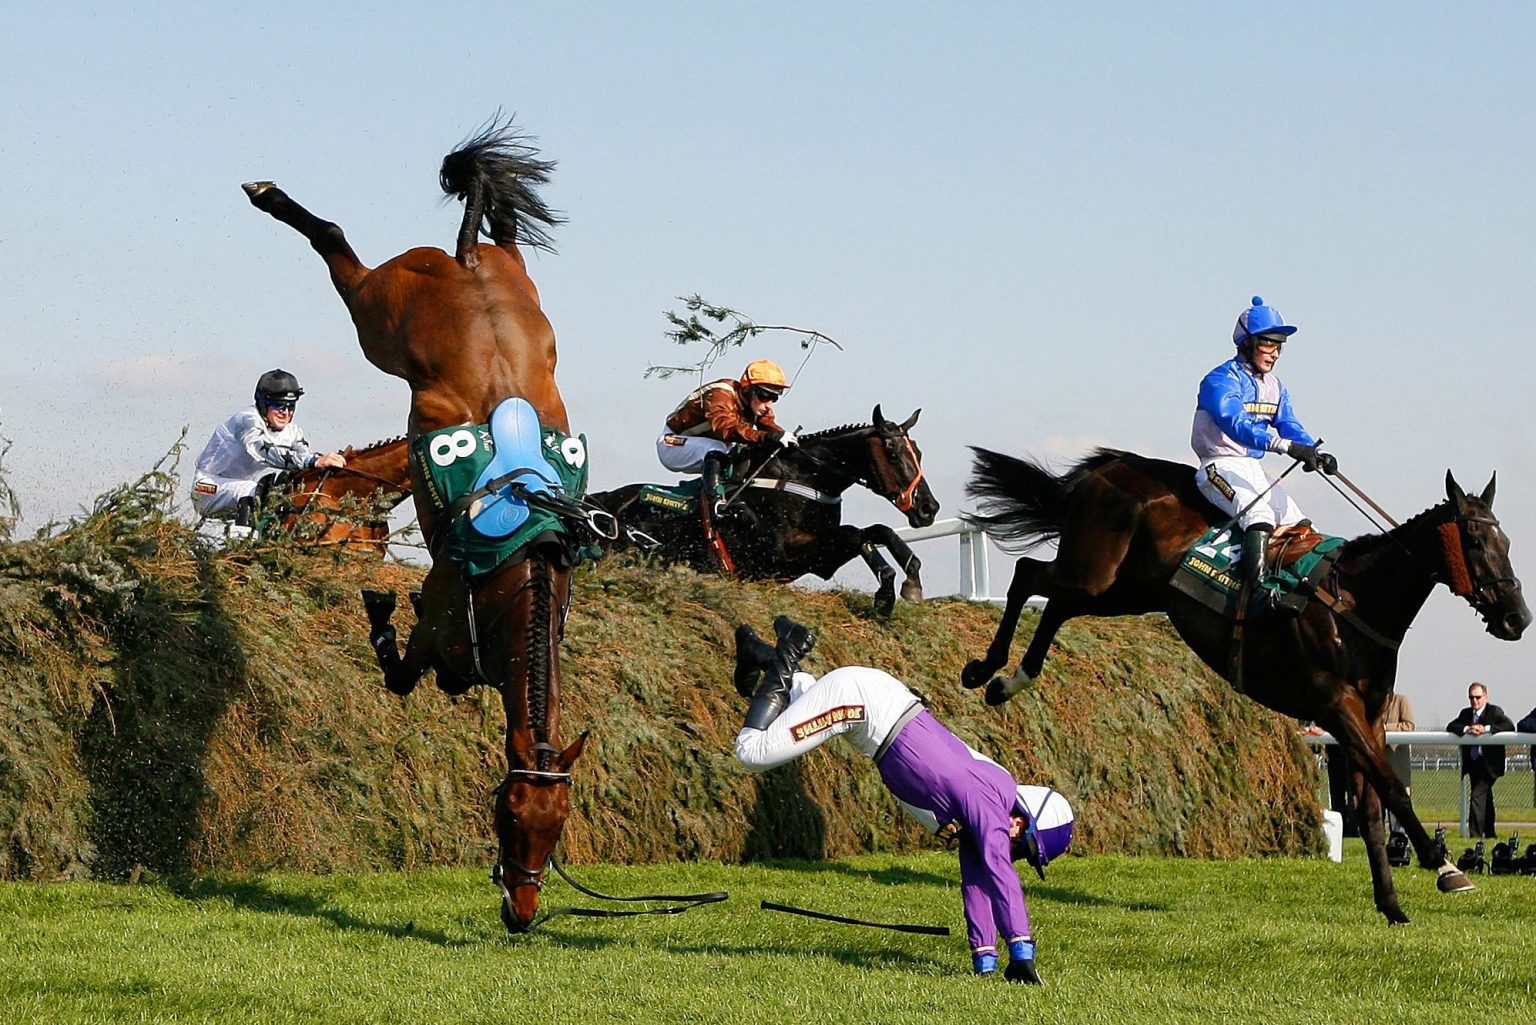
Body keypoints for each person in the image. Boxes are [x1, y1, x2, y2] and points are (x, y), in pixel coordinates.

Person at [730, 616, 1074, 985]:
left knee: (802, 693)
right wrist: (1022, 952)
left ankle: (757, 653)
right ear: (1021, 819)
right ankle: (790, 645)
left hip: (871, 708)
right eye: (1022, 848)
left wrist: (985, 963)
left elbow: (978, 884)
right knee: (752, 752)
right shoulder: (992, 798)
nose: (1014, 854)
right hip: (863, 705)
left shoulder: (985, 809)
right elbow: (998, 873)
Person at [1191, 296, 1338, 616]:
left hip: (1253, 468)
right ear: (1247, 343)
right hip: (1219, 465)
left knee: (1298, 524)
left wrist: (1314, 451)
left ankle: (1289, 587)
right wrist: (1285, 447)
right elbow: (1235, 423)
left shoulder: (1275, 386)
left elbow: (1288, 424)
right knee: (1259, 516)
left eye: (1279, 346)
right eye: (1268, 344)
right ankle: (1255, 592)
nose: (1275, 352)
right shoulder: (1220, 380)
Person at [191, 369, 346, 537]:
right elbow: (263, 451)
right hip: (206, 488)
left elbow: (305, 459)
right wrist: (313, 460)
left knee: (283, 491)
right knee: (249, 490)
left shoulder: (293, 432)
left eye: (291, 406)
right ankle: (241, 548)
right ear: (263, 404)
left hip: (245, 492)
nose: (286, 413)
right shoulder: (246, 420)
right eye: (279, 406)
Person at [657, 359, 797, 519]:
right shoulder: (721, 394)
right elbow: (726, 428)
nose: (769, 404)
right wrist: (767, 436)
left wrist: (789, 440)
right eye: (765, 396)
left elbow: (770, 428)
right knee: (716, 447)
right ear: (749, 390)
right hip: (672, 443)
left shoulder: (755, 406)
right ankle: (715, 502)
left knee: (746, 453)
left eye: (775, 398)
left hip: (706, 449)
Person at [1445, 682, 1515, 838]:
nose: (1474, 701)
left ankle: (1475, 836)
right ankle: (1490, 833)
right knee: (1485, 797)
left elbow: (1509, 725)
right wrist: (1467, 729)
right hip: (1473, 763)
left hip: (1490, 764)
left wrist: (1486, 729)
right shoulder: (1465, 714)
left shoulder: (1494, 712)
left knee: (1477, 796)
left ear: (1485, 697)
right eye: (1471, 697)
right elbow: (1451, 726)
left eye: (1477, 697)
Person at [1383, 691, 1416, 832]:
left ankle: (1400, 834)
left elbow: (1409, 726)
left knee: (1399, 796)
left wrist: (1385, 728)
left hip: (1397, 759)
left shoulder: (1401, 700)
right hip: (1378, 758)